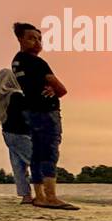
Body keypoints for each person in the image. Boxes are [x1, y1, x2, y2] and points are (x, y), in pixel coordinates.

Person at [11, 22, 77, 210]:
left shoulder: (16, 62)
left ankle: (39, 195)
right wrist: (53, 90)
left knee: (37, 154)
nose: (37, 42)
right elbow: (62, 89)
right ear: (20, 39)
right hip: (46, 112)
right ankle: (51, 196)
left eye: (39, 38)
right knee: (49, 152)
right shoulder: (37, 62)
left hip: (30, 112)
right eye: (31, 38)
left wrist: (50, 88)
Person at [0, 68, 33, 204]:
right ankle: (44, 193)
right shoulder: (16, 95)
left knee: (18, 166)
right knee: (35, 161)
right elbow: (27, 115)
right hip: (21, 133)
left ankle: (26, 196)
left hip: (7, 133)